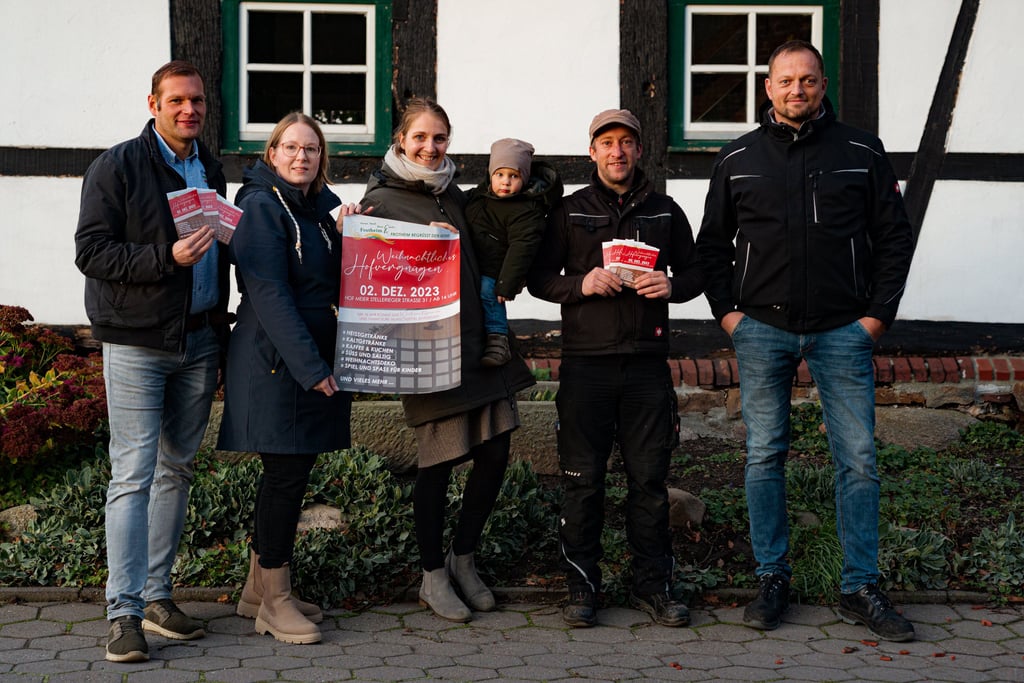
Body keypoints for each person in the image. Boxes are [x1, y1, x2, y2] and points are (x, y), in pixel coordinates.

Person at [695, 40, 917, 642]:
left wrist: (876, 318)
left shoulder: (861, 151)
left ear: (823, 85)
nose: (798, 90)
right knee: (764, 455)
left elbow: (894, 239)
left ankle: (859, 586)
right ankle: (772, 578)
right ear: (767, 87)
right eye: (786, 81)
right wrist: (729, 317)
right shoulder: (737, 157)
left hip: (844, 329)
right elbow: (711, 248)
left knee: (860, 461)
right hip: (761, 330)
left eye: (809, 80)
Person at [74, 60, 229, 662]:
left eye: (196, 101)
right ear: (154, 103)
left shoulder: (208, 166)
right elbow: (92, 251)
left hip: (199, 340)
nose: (189, 110)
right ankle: (124, 614)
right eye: (177, 101)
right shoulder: (117, 165)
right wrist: (166, 257)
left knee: (176, 471)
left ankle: (158, 597)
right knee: (133, 475)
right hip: (137, 342)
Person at [527, 109, 705, 628]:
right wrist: (581, 283)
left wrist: (672, 285)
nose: (617, 151)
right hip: (586, 366)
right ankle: (581, 591)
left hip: (647, 367)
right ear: (592, 153)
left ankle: (654, 588)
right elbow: (540, 279)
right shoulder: (568, 212)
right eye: (607, 143)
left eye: (626, 142)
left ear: (639, 150)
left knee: (649, 482)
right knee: (582, 482)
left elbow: (696, 272)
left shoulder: (666, 211)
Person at [359, 98, 536, 623]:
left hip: (480, 344)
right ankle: (431, 574)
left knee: (497, 451)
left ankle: (464, 557)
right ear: (400, 141)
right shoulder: (381, 199)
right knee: (437, 463)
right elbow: (369, 276)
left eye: (439, 138)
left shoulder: (454, 194)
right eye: (420, 138)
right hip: (429, 350)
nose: (430, 148)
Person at [217, 113, 359, 644]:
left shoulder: (318, 207)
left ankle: (258, 587)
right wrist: (312, 368)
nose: (302, 157)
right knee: (285, 476)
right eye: (291, 148)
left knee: (287, 474)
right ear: (272, 154)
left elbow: (332, 270)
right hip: (275, 361)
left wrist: (351, 232)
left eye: (312, 150)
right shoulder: (259, 207)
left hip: (302, 357)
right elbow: (271, 296)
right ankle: (273, 602)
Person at [465, 138, 562, 366]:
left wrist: (507, 282)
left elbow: (523, 247)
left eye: (513, 176)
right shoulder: (479, 195)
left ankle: (498, 341)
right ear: (490, 174)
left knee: (489, 292)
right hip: (472, 262)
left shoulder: (527, 210)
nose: (505, 182)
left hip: (497, 269)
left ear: (524, 178)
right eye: (500, 175)